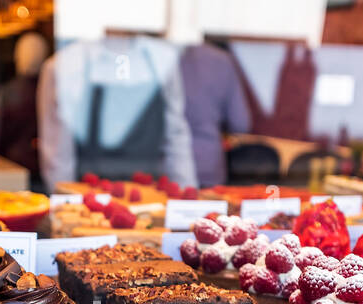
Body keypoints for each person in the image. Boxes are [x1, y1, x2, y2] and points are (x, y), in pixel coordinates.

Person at [37, 33, 197, 188]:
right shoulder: (67, 65)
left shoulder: (163, 59)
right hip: (92, 203)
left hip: (153, 201)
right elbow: (58, 156)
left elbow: (176, 138)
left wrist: (187, 200)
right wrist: (69, 206)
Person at [179, 42, 251, 186]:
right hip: (209, 163)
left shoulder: (163, 54)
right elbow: (241, 123)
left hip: (167, 162)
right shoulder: (222, 60)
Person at [0, 32, 49, 180]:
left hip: (11, 169)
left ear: (17, 57)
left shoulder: (5, 94)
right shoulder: (52, 93)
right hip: (44, 169)